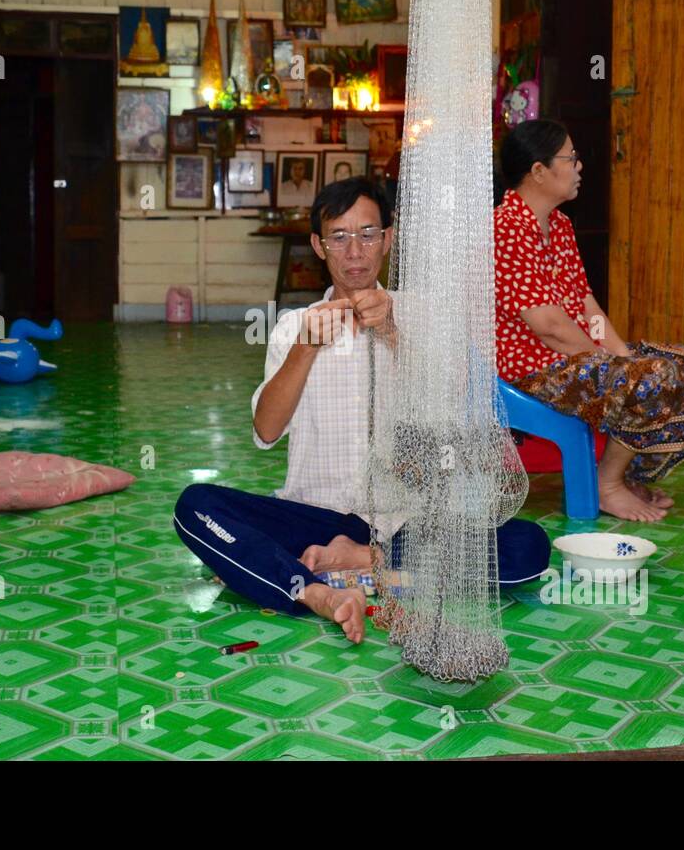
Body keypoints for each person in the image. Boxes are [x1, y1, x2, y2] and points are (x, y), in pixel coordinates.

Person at [174, 177, 551, 643]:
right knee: (195, 506)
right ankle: (317, 593)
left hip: (403, 522)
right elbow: (267, 430)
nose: (355, 252)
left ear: (388, 239)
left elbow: (451, 409)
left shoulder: (420, 317)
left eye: (368, 234)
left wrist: (393, 332)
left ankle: (362, 563)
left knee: (527, 546)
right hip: (312, 515)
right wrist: (305, 350)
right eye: (339, 237)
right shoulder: (295, 325)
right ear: (318, 245)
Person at [495, 120, 684, 523]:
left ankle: (625, 473)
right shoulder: (505, 228)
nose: (579, 166)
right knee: (653, 377)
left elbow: (587, 305)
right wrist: (621, 367)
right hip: (528, 367)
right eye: (571, 158)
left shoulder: (561, 226)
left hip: (571, 357)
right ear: (538, 171)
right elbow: (549, 325)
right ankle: (607, 484)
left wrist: (620, 355)